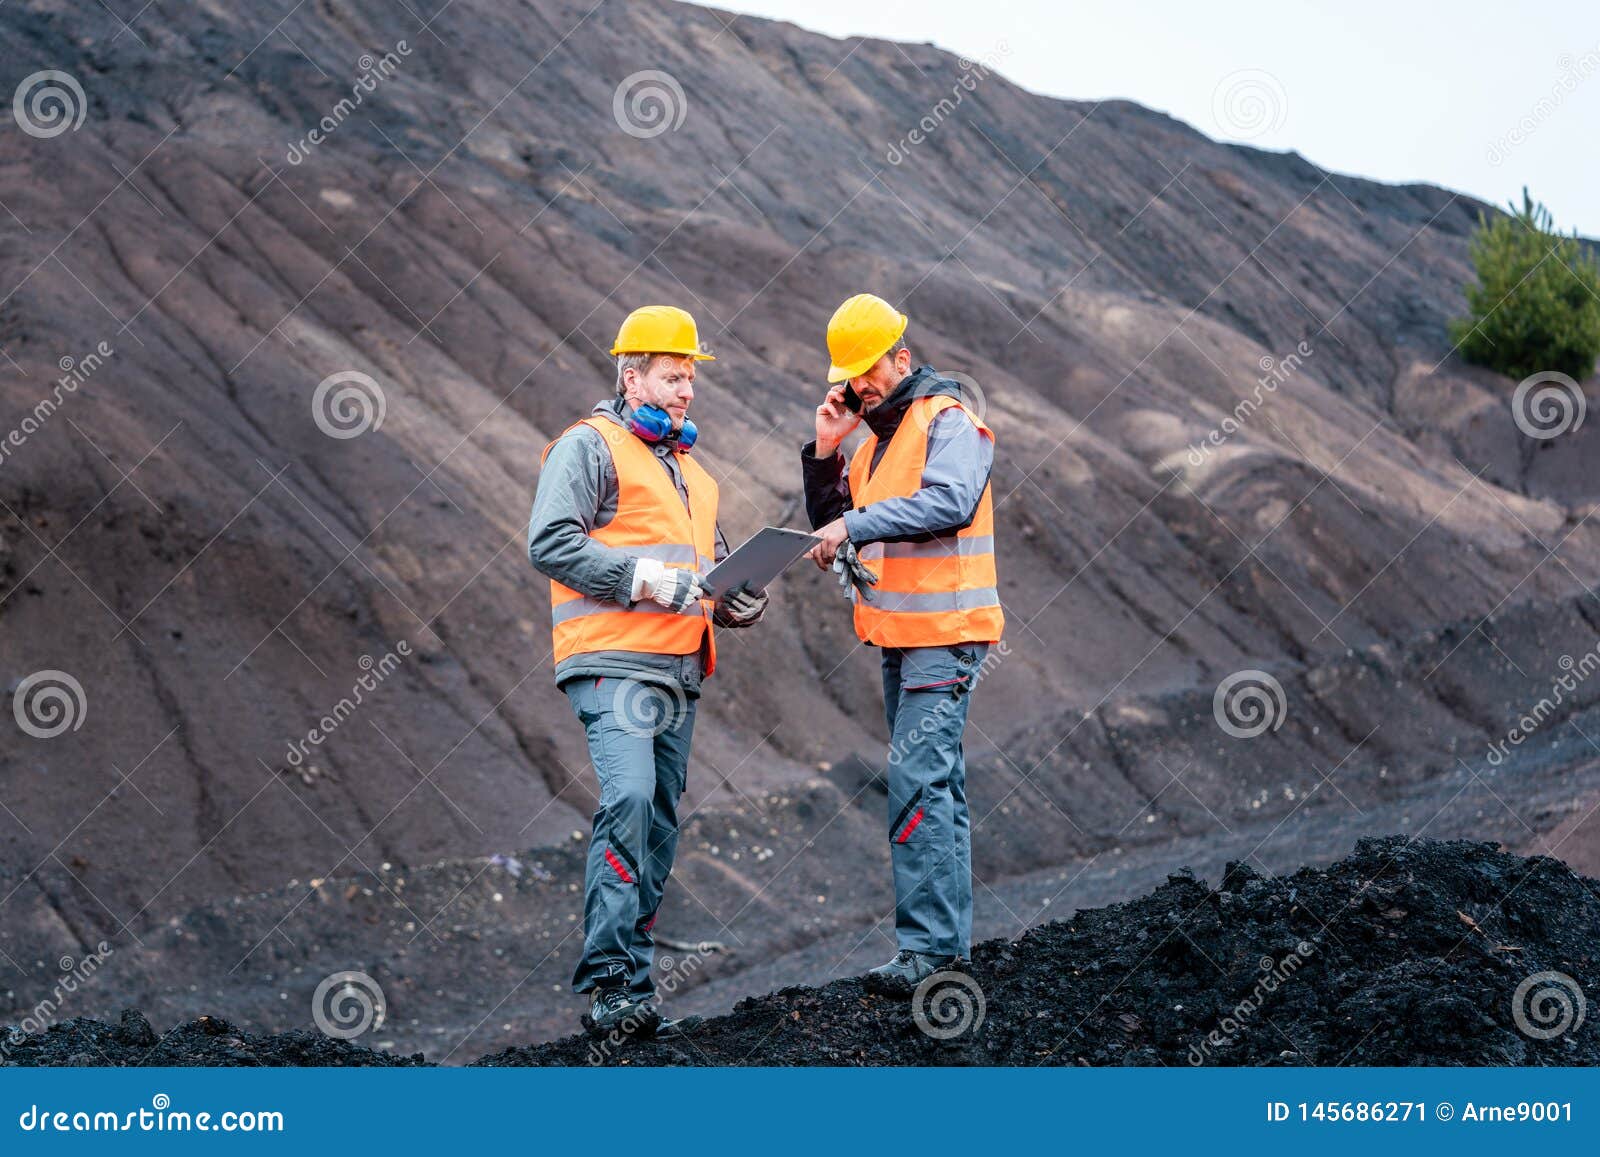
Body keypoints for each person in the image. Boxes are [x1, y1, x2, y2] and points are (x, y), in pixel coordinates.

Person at [527, 304, 768, 1036]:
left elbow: (704, 576)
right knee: (629, 798)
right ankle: (607, 985)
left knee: (659, 823)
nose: (686, 390)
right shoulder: (587, 447)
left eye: (690, 377)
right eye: (672, 376)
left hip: (679, 668)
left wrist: (738, 600)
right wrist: (642, 578)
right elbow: (550, 541)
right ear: (631, 376)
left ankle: (633, 987)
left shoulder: (694, 474)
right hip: (611, 660)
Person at [799, 293, 1004, 993]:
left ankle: (928, 950)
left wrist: (853, 529)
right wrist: (826, 454)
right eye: (851, 376)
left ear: (903, 358)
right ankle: (945, 948)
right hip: (901, 637)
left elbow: (949, 502)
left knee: (918, 780)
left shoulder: (948, 421)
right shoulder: (874, 446)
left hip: (945, 634)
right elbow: (838, 522)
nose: (861, 385)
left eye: (870, 370)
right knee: (936, 783)